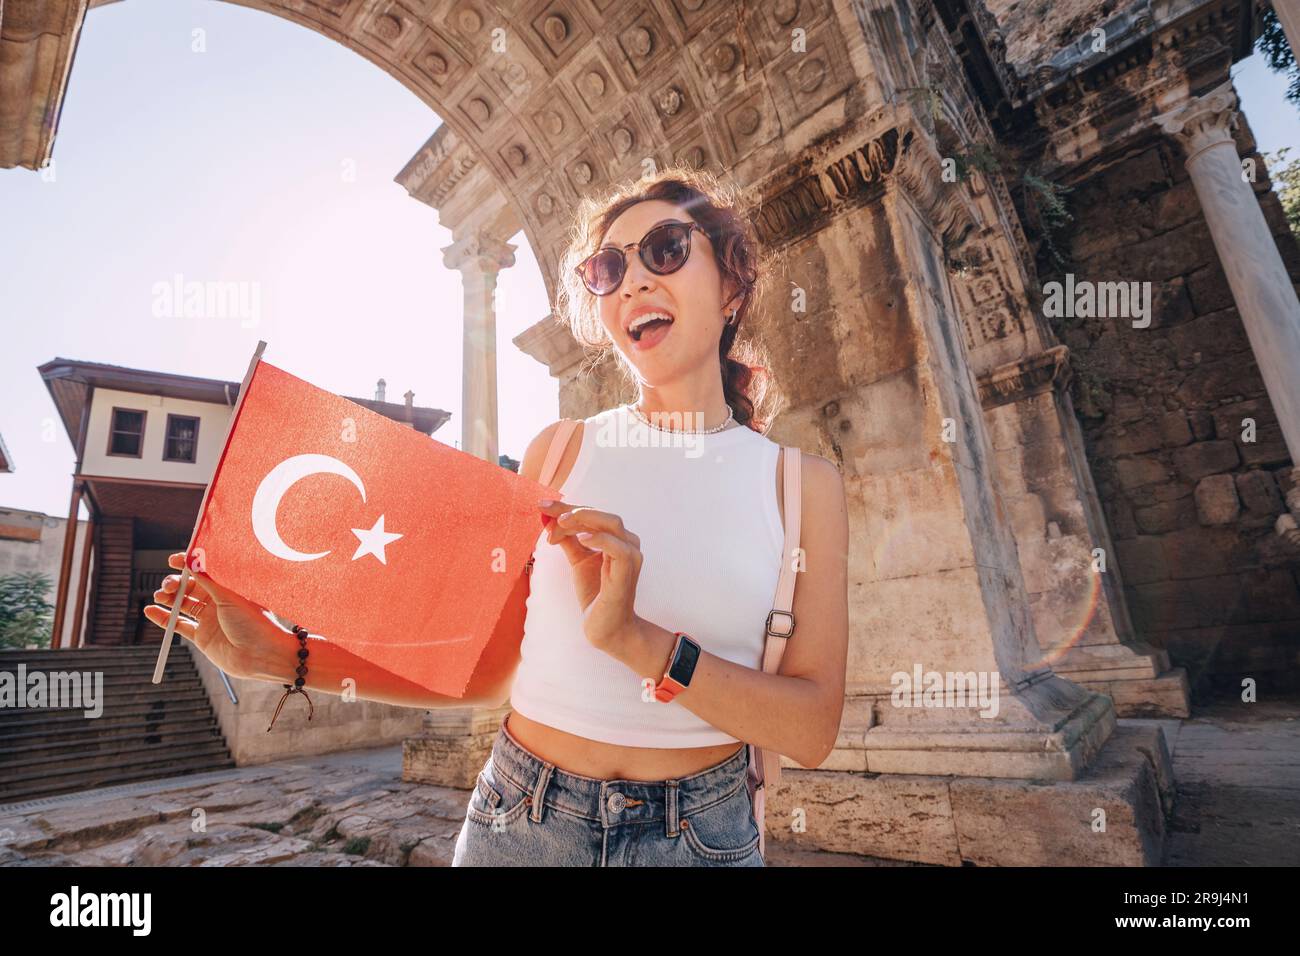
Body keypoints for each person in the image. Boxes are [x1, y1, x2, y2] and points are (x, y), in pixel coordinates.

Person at [144, 165, 849, 867]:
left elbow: (811, 726)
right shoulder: (559, 450)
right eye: (607, 267)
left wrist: (640, 643)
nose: (632, 279)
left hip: (701, 837)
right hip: (520, 819)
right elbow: (487, 671)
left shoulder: (800, 486)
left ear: (731, 285)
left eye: (665, 249)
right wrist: (277, 656)